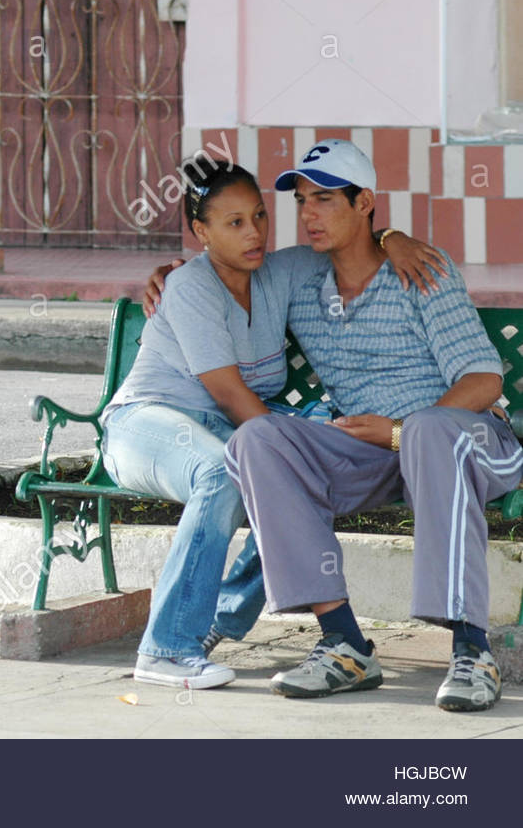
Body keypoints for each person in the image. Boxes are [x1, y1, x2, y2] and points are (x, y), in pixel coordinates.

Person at [104, 159, 438, 689]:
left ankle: (217, 621)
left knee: (284, 477)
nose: (254, 232)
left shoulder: (279, 273)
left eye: (259, 216)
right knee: (241, 470)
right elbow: (233, 397)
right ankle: (165, 648)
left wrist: (393, 237)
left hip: (225, 433)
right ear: (201, 232)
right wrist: (282, 454)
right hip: (145, 425)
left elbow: (355, 242)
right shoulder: (190, 287)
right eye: (233, 222)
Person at [222, 139, 522, 711]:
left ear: (365, 202)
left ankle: (471, 650)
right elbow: (222, 263)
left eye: (325, 200)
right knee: (258, 440)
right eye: (302, 201)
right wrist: (169, 273)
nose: (308, 214)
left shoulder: (421, 271)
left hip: (471, 443)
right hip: (376, 457)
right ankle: (344, 643)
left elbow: (484, 383)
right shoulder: (301, 282)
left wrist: (403, 432)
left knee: (432, 432)